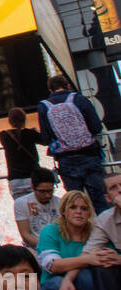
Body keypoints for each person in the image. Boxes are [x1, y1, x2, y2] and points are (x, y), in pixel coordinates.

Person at [38, 75, 108, 213]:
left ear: (50, 89)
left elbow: (45, 137)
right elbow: (96, 127)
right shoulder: (79, 99)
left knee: (75, 203)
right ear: (67, 85)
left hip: (66, 161)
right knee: (99, 199)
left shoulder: (44, 106)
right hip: (89, 155)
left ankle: (83, 233)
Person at [72, 172, 121, 290]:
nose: (120, 190)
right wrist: (69, 280)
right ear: (108, 198)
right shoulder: (106, 219)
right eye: (114, 188)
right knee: (102, 262)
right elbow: (87, 253)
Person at [35, 191, 99, 290]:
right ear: (63, 211)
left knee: (85, 276)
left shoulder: (95, 231)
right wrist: (87, 259)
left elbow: (103, 257)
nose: (79, 212)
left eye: (84, 209)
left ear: (89, 213)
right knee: (58, 282)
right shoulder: (49, 231)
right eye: (73, 207)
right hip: (53, 286)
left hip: (86, 285)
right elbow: (53, 266)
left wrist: (69, 278)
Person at [0, 108, 43, 200]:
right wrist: (35, 131)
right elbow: (44, 141)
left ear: (9, 121)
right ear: (24, 119)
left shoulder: (3, 135)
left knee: (21, 209)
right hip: (32, 177)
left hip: (15, 179)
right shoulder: (31, 134)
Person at [14, 168, 61, 249]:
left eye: (51, 191)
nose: (48, 195)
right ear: (33, 187)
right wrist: (46, 247)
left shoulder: (60, 202)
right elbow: (25, 234)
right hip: (35, 247)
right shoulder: (21, 203)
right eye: (43, 191)